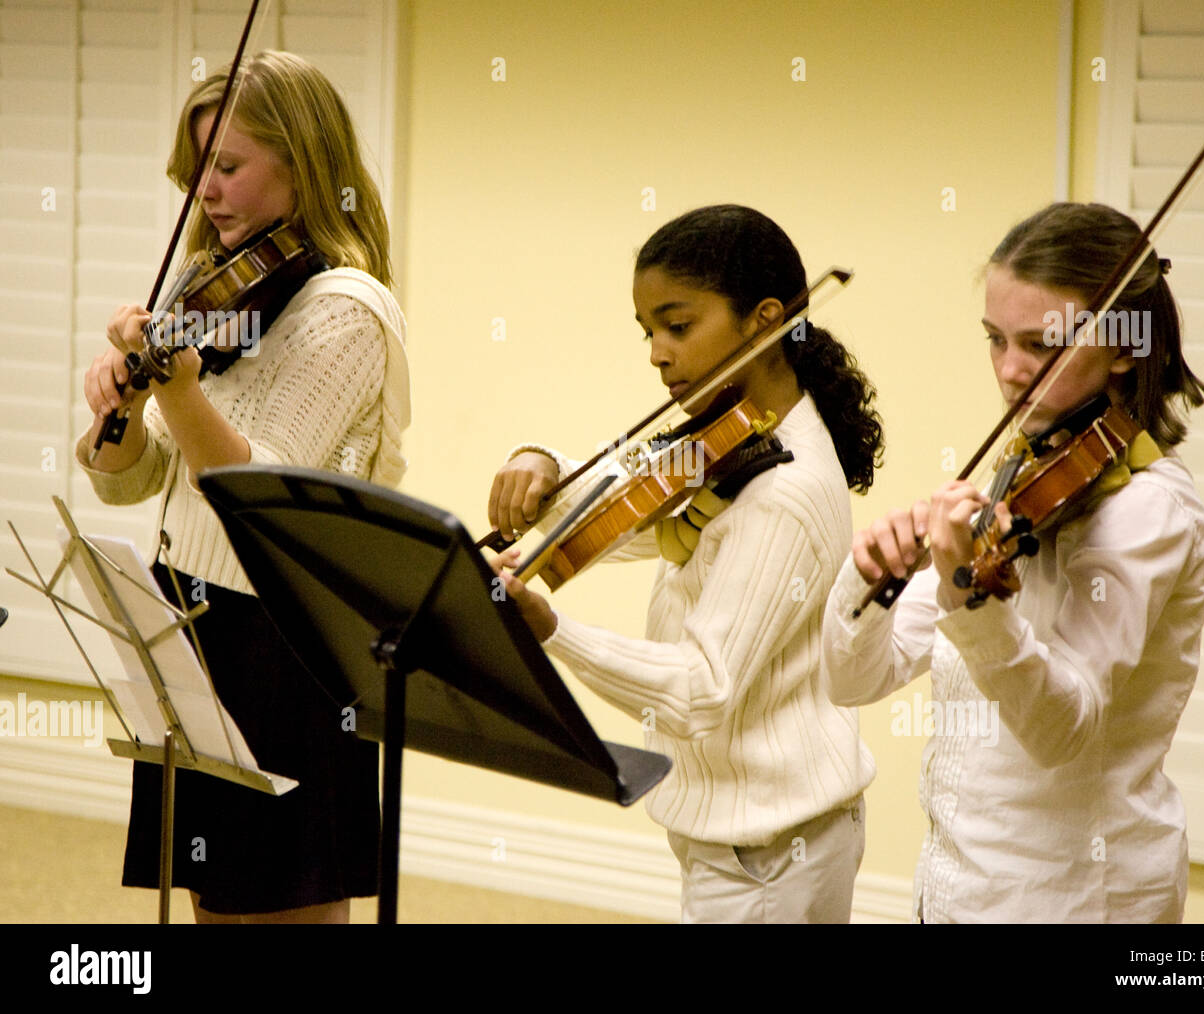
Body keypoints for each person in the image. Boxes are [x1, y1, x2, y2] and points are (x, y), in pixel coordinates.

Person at [76, 50, 410, 923]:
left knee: (281, 905)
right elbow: (142, 480)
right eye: (196, 175)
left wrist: (177, 387)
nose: (206, 195)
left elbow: (251, 494)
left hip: (286, 637)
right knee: (216, 898)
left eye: (227, 167)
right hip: (194, 616)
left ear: (303, 161)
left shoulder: (346, 309)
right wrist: (117, 418)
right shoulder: (214, 293)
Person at [821, 202, 1204, 923]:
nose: (1010, 371)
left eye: (1042, 345)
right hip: (962, 883)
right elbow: (853, 676)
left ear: (1125, 346)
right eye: (996, 340)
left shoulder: (1148, 514)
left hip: (1077, 898)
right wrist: (869, 575)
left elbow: (1062, 728)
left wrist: (973, 603)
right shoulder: (1019, 477)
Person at [490, 205, 883, 923]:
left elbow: (703, 690)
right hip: (736, 833)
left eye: (678, 326)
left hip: (772, 849)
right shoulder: (728, 438)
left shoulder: (783, 494)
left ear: (765, 320)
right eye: (648, 332)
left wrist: (552, 630)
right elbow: (629, 511)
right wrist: (544, 463)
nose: (656, 353)